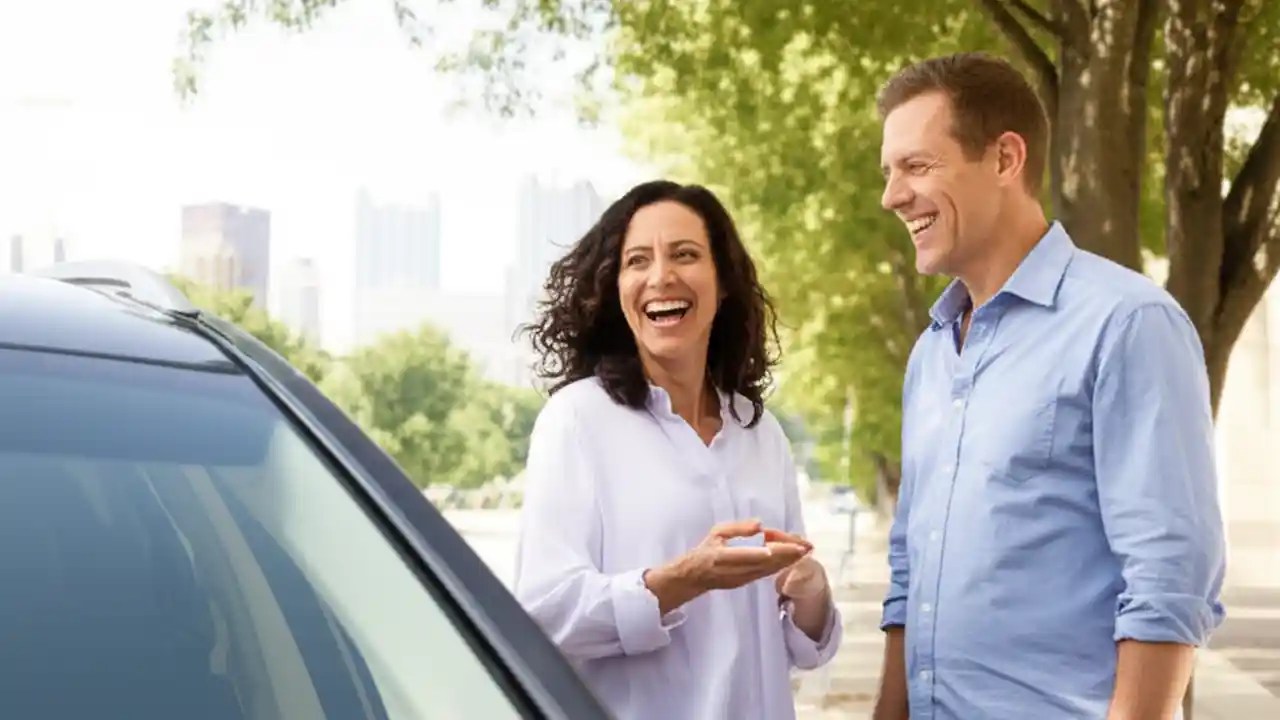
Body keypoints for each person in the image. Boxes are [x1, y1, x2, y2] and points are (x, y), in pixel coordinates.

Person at [871, 52, 1227, 720]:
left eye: (916, 166)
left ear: (1005, 159)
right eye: (889, 173)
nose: (892, 195)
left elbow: (1171, 572)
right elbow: (909, 573)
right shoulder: (931, 355)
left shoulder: (1127, 323)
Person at [513, 180, 842, 720]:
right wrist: (684, 578)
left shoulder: (761, 433)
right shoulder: (577, 421)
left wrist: (811, 596)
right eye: (637, 260)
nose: (661, 277)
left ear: (723, 282)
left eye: (685, 255)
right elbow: (546, 613)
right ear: (615, 288)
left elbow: (798, 647)